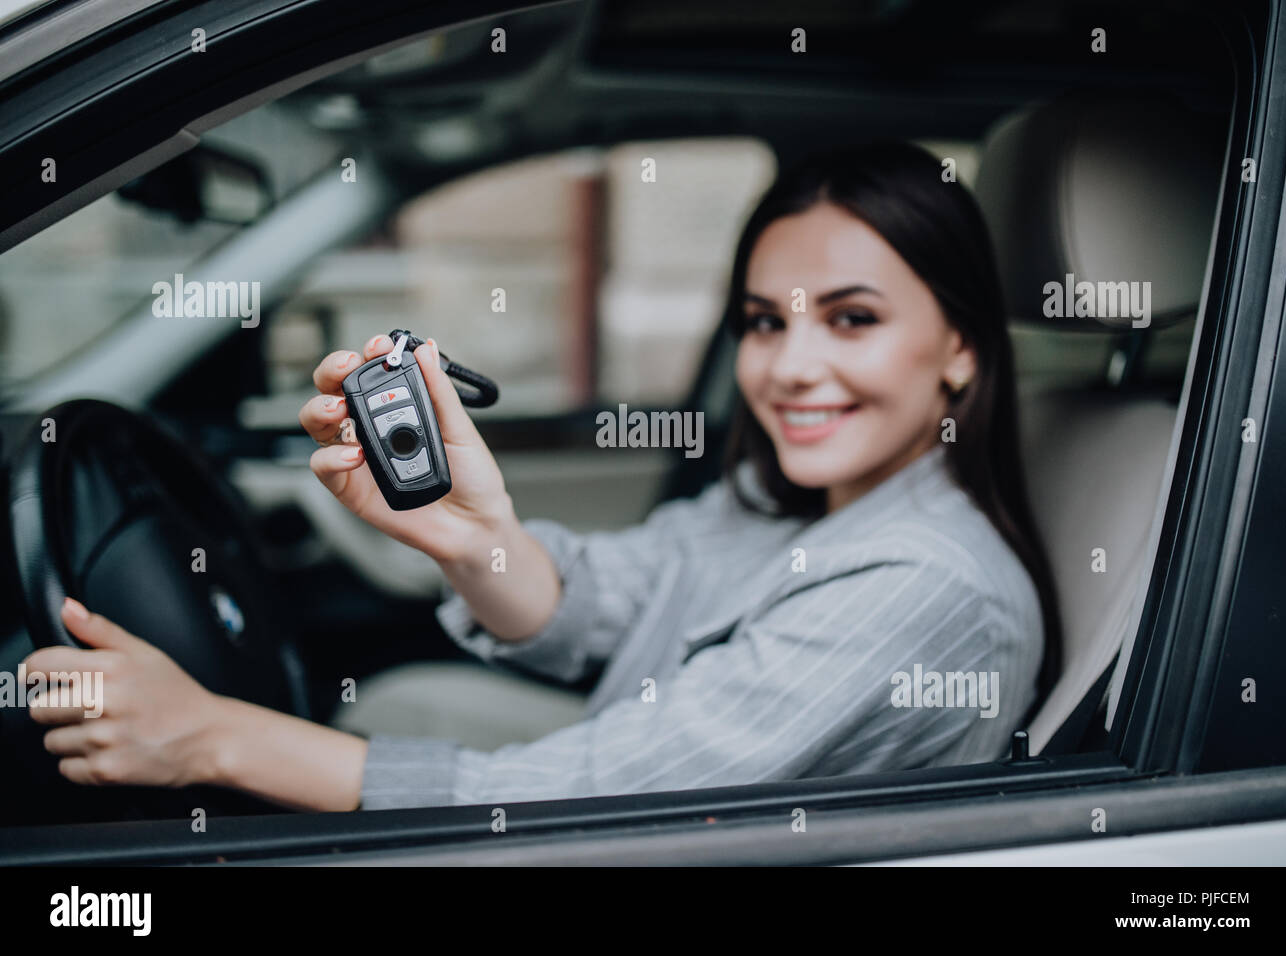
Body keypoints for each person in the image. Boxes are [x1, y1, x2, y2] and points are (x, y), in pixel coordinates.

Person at [23, 142, 1061, 813]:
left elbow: (570, 802)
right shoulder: (787, 501)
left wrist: (210, 734)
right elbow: (609, 599)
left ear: (960, 344)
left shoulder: (925, 591)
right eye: (761, 321)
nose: (788, 366)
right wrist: (470, 534)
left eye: (851, 318)